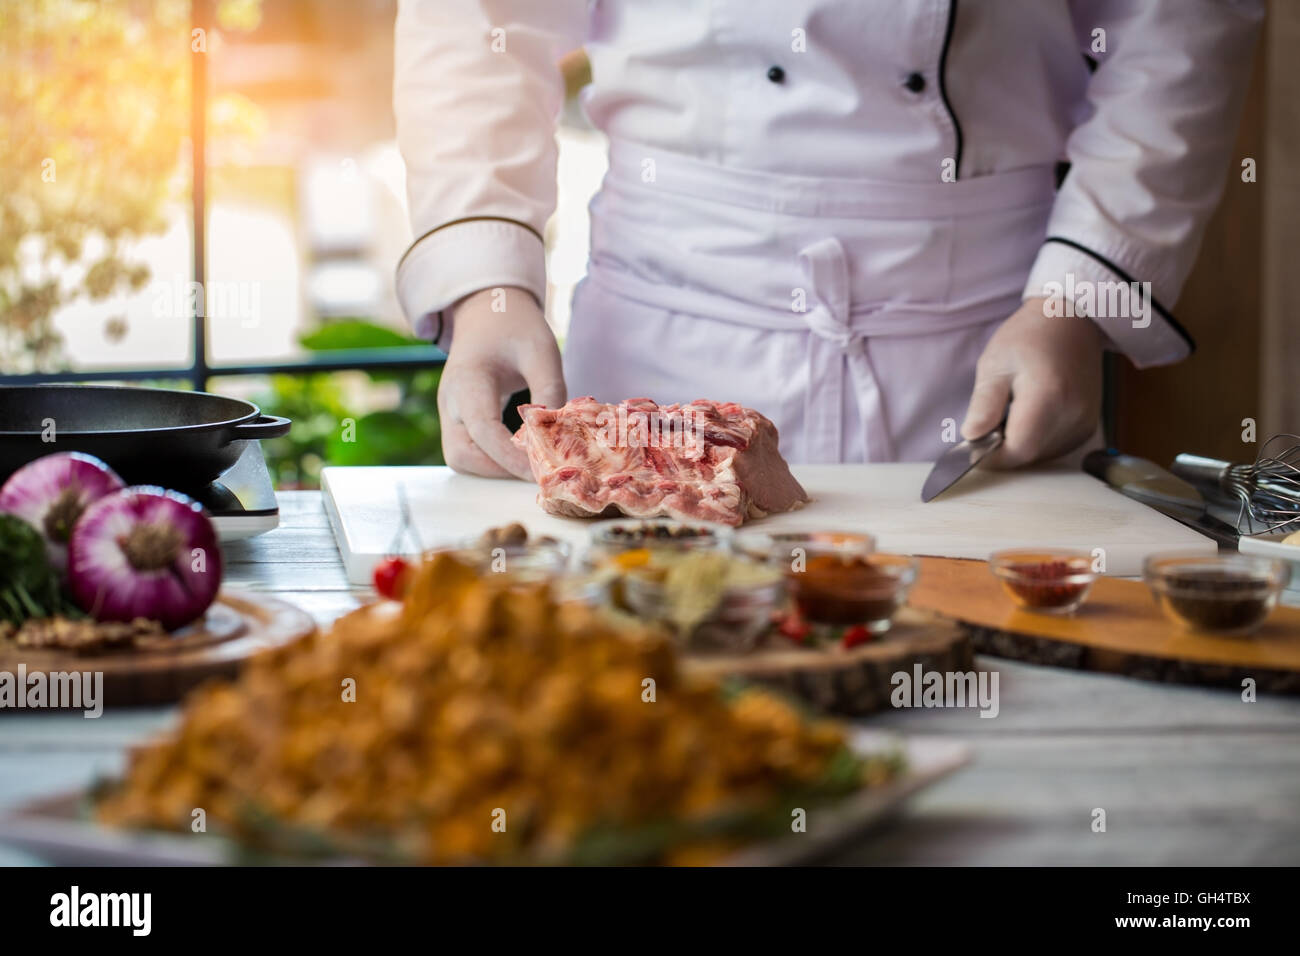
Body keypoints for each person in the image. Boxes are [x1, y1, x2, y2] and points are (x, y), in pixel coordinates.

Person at [393, 0, 1262, 479]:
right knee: (647, 690)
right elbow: (476, 23)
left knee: (992, 695)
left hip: (983, 346)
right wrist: (486, 288)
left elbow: (1181, 25)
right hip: (664, 327)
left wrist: (1073, 302)